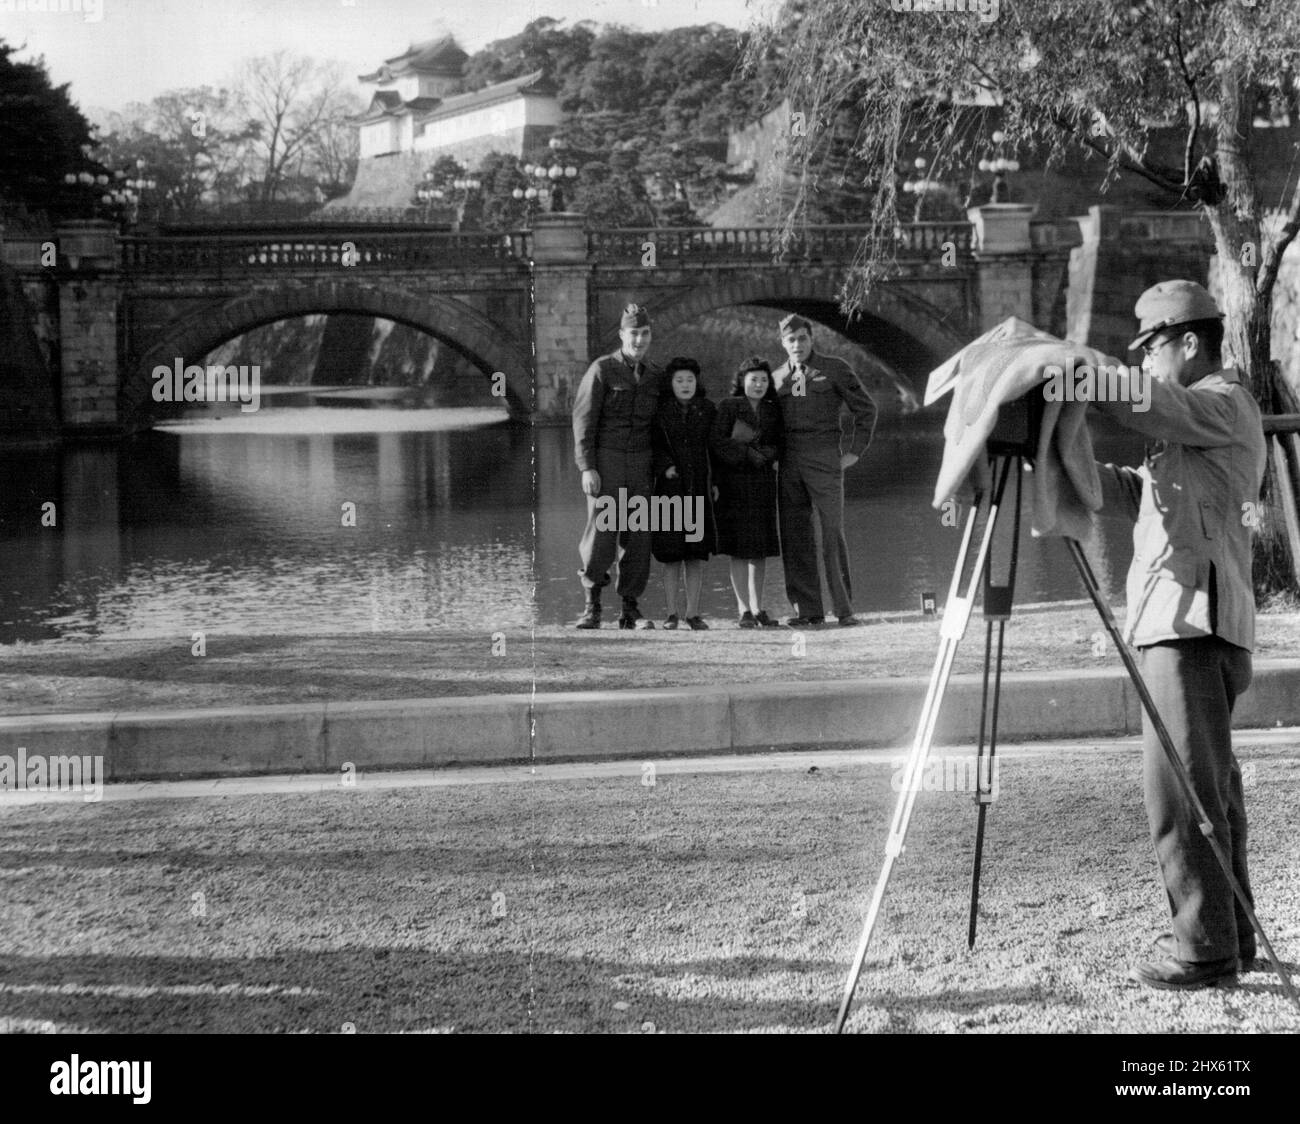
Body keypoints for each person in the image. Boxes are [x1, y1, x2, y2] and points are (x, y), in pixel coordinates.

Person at [1092, 280, 1266, 990]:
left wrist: (1077, 373)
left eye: (1151, 350)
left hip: (1190, 623)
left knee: (1181, 797)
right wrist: (1067, 473)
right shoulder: (1200, 423)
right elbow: (1146, 494)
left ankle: (1203, 948)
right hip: (1193, 620)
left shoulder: (1220, 402)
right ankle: (1236, 936)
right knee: (1213, 792)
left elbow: (1155, 402)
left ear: (1188, 344)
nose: (1147, 365)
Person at [769, 313, 877, 627]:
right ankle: (808, 611)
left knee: (832, 533)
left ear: (811, 339)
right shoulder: (776, 379)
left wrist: (855, 452)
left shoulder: (835, 369)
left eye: (802, 338)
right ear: (783, 343)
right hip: (789, 462)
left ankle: (844, 610)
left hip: (826, 458)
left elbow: (866, 409)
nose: (797, 344)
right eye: (791, 340)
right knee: (795, 536)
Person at [572, 303, 661, 629]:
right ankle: (592, 607)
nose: (639, 340)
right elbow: (583, 420)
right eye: (633, 333)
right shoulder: (602, 370)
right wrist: (586, 467)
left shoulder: (654, 375)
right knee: (601, 535)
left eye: (645, 334)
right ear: (622, 335)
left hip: (641, 463)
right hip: (607, 462)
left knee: (639, 538)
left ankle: (630, 609)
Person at [710, 357, 783, 628]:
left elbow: (780, 442)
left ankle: (758, 607)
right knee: (739, 549)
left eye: (764, 379)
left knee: (759, 549)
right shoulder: (729, 407)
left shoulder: (773, 409)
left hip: (763, 483)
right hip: (734, 485)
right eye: (754, 379)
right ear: (742, 380)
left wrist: (765, 454)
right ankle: (743, 610)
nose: (759, 384)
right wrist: (746, 453)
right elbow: (717, 442)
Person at [651, 357, 717, 630]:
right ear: (671, 383)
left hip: (699, 487)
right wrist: (664, 466)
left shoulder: (708, 410)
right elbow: (651, 445)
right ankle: (671, 613)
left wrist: (716, 481)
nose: (685, 385)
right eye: (680, 380)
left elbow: (716, 447)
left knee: (695, 554)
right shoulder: (660, 411)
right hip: (669, 490)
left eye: (690, 380)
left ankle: (693, 612)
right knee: (671, 554)